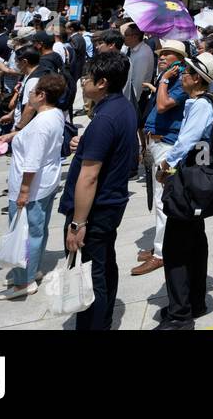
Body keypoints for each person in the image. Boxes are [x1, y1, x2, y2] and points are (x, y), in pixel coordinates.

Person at [60, 51, 138, 330]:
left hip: (97, 206)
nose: (82, 83)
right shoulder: (122, 107)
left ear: (102, 82)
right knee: (104, 263)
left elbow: (89, 176)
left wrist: (78, 222)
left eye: (87, 78)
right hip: (112, 200)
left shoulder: (105, 118)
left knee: (91, 273)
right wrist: (85, 143)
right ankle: (103, 320)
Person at [154, 52, 213, 329]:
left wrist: (165, 164)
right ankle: (194, 300)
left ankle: (181, 314)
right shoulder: (200, 102)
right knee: (194, 239)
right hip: (194, 178)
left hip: (189, 179)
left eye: (186, 72)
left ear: (197, 79)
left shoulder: (202, 105)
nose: (182, 76)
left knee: (176, 247)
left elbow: (188, 140)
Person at [0, 72, 66, 298]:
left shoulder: (43, 122)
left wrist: (23, 192)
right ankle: (31, 269)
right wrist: (14, 135)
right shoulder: (54, 114)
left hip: (32, 186)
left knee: (24, 232)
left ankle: (24, 281)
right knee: (37, 229)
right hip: (45, 182)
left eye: (32, 93)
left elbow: (32, 161)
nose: (30, 98)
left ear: (41, 95)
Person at [132, 40, 189, 277]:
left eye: (167, 54)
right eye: (161, 54)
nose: (162, 57)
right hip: (157, 140)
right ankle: (159, 244)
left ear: (179, 58)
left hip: (168, 144)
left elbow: (165, 105)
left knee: (162, 199)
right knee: (158, 198)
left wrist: (164, 82)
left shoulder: (181, 78)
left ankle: (162, 253)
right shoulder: (169, 77)